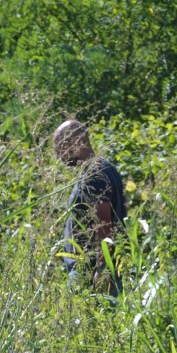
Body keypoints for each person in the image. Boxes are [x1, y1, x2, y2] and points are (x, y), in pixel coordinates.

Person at [52, 120, 127, 297]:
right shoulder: (105, 167)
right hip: (93, 269)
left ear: (76, 142)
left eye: (60, 146)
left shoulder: (94, 174)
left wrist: (102, 269)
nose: (57, 154)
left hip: (89, 271)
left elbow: (104, 224)